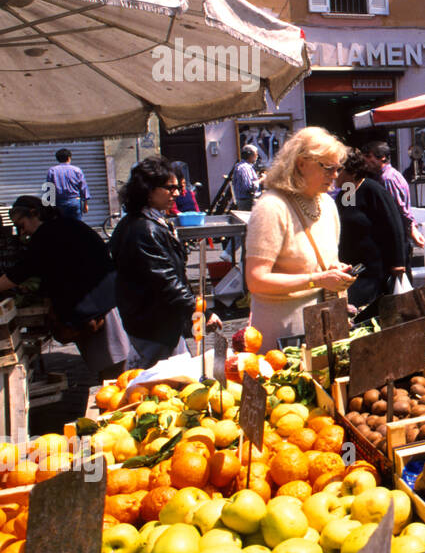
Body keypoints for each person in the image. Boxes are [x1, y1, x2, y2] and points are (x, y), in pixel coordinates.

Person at [245, 127, 355, 345]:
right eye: (328, 168)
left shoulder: (327, 203)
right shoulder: (272, 207)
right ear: (301, 164)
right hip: (282, 334)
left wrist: (335, 269)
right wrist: (317, 280)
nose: (335, 175)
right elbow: (256, 280)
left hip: (326, 327)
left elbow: (323, 261)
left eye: (338, 168)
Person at [0, 196, 128, 381]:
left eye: (22, 224)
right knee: (113, 364)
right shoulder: (67, 225)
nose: (23, 232)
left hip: (96, 307)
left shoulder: (47, 234)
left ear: (35, 213)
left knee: (114, 368)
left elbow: (19, 273)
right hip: (104, 301)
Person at [108, 158, 220, 368]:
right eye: (170, 188)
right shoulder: (143, 230)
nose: (177, 194)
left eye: (177, 187)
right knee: (155, 383)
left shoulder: (149, 222)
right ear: (148, 190)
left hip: (161, 322)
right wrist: (200, 311)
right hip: (152, 325)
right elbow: (166, 281)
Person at [336, 149, 408, 317]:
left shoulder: (372, 190)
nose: (334, 175)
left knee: (370, 310)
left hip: (375, 268)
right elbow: (348, 220)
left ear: (352, 173)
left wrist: (398, 262)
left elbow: (394, 224)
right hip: (355, 266)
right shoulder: (347, 192)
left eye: (339, 170)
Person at [363, 141, 425, 251]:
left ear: (382, 158)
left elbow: (400, 209)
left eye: (369, 157)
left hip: (395, 239)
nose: (366, 161)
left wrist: (412, 230)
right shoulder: (388, 176)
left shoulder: (387, 179)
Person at [45, 148, 90, 221]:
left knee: (61, 226)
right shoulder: (77, 170)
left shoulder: (52, 170)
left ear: (57, 159)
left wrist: (48, 206)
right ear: (69, 158)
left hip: (59, 203)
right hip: (74, 201)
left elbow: (49, 189)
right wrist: (85, 204)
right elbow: (83, 187)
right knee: (77, 226)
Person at [231, 145, 261, 211]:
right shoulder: (245, 168)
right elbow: (249, 187)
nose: (257, 156)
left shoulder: (240, 166)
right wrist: (261, 180)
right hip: (247, 202)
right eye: (256, 154)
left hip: (244, 201)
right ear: (250, 155)